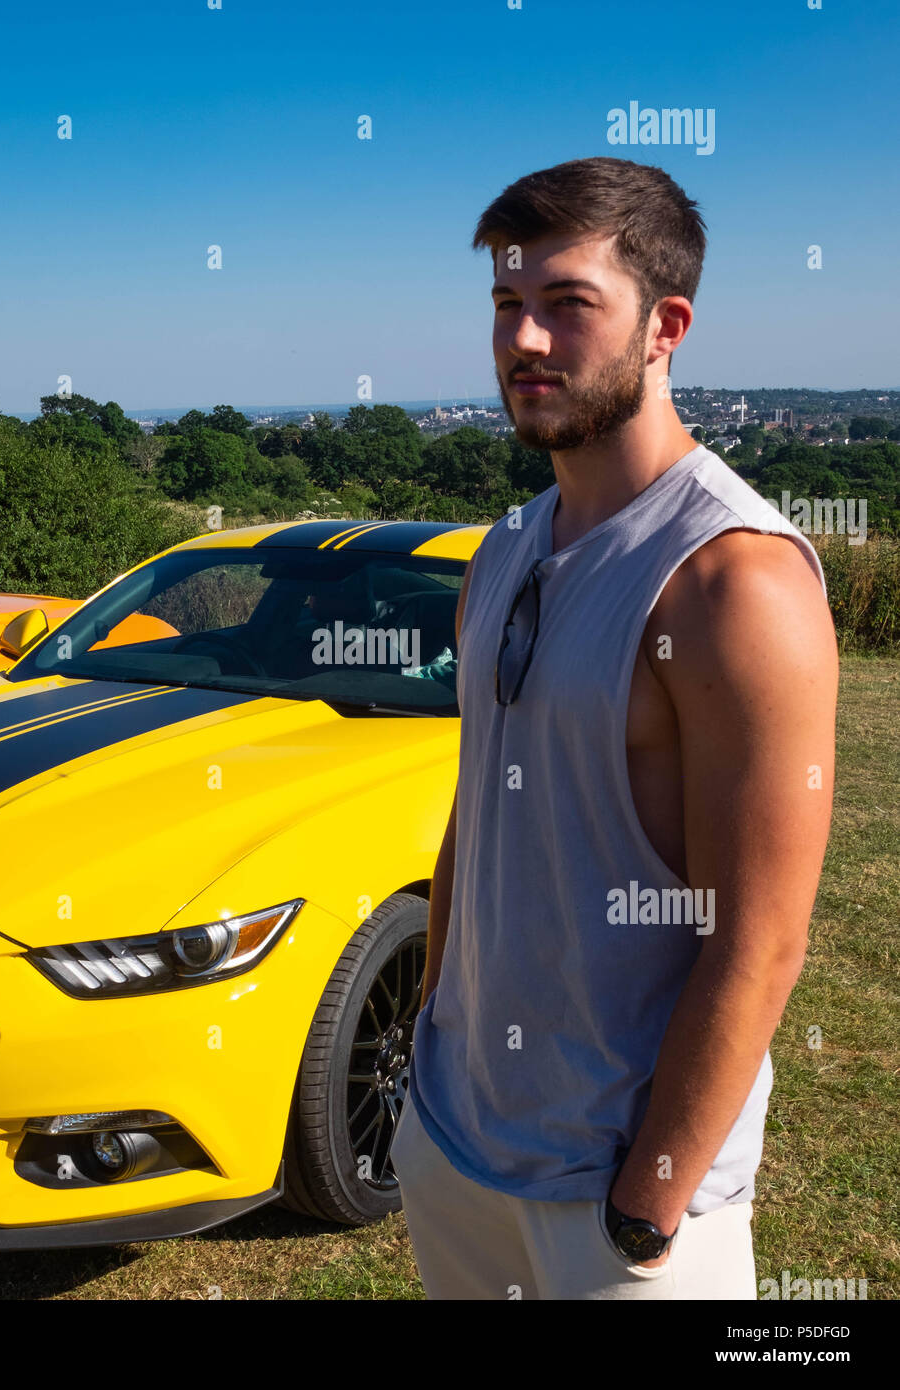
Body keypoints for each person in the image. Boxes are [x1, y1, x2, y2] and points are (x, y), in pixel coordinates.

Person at [390, 156, 839, 1300]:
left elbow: (762, 939)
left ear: (663, 325)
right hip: (457, 1144)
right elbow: (473, 819)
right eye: (505, 302)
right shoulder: (498, 551)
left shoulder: (732, 582)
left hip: (617, 1202)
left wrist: (647, 1201)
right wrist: (429, 1054)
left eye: (566, 304)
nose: (522, 340)